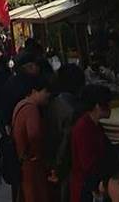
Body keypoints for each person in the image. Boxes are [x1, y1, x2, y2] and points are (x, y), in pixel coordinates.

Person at [46, 64, 86, 202]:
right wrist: (58, 168)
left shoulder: (55, 102)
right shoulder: (71, 109)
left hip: (55, 159)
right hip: (65, 165)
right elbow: (65, 142)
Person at [12, 76, 53, 202]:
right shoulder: (31, 109)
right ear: (35, 91)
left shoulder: (21, 104)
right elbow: (34, 134)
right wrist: (36, 152)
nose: (48, 95)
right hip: (31, 162)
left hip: (21, 159)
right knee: (35, 195)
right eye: (45, 91)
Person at [70, 85, 112, 202]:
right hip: (86, 188)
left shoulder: (94, 125)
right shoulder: (84, 128)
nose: (110, 107)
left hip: (89, 185)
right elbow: (88, 164)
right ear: (98, 106)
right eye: (107, 103)